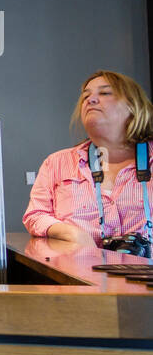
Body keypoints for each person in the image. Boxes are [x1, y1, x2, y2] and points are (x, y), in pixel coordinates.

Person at [23, 70, 153, 252]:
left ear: (133, 106)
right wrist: (72, 234)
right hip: (80, 275)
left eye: (105, 93)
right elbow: (36, 215)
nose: (90, 100)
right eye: (85, 96)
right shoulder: (57, 163)